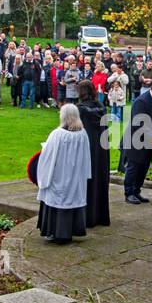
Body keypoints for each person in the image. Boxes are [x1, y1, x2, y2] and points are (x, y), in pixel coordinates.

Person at [36, 103, 91, 245]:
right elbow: (86, 156)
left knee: (57, 199)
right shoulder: (83, 133)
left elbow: (47, 156)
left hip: (59, 175)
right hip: (75, 176)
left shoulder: (57, 134)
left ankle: (56, 231)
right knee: (70, 199)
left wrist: (43, 175)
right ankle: (70, 231)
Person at [121, 77, 152, 205]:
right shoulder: (141, 101)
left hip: (149, 141)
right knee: (134, 167)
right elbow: (139, 123)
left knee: (144, 166)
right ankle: (129, 193)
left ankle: (136, 191)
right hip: (135, 139)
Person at [75, 80, 110, 228]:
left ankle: (88, 217)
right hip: (102, 147)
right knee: (100, 179)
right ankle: (100, 216)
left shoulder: (80, 109)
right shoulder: (101, 107)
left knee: (87, 181)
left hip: (87, 146)